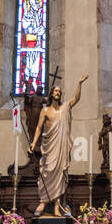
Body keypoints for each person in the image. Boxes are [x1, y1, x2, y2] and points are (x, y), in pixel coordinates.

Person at [29, 73, 88, 216]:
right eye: (56, 91)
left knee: (60, 174)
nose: (58, 93)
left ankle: (56, 206)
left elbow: (76, 99)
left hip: (61, 146)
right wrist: (33, 143)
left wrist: (79, 83)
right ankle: (43, 202)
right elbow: (38, 127)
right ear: (51, 93)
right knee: (47, 171)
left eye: (59, 92)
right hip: (49, 147)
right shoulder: (45, 110)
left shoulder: (65, 108)